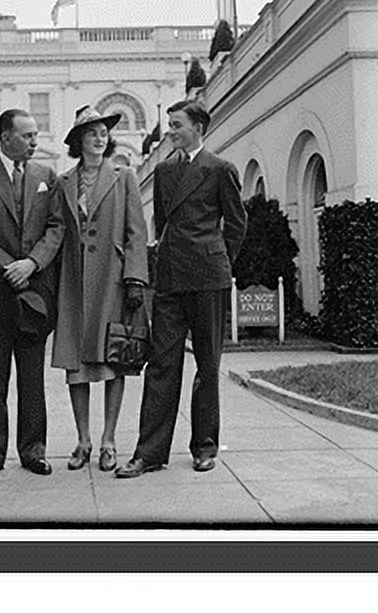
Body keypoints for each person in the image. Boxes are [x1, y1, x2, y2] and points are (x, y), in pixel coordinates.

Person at [116, 99, 247, 479]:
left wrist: (218, 261)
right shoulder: (164, 170)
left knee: (208, 365)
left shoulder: (220, 169)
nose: (170, 131)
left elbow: (236, 225)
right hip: (171, 279)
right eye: (170, 125)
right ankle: (148, 453)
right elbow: (162, 225)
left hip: (208, 278)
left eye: (177, 125)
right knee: (161, 364)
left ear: (198, 128)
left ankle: (205, 447)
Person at [0, 109, 65, 479]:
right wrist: (9, 266)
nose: (36, 141)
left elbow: (56, 227)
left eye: (36, 135)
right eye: (28, 135)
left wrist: (31, 264)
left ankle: (34, 451)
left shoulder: (46, 177)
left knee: (32, 378)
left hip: (34, 294)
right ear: (5, 138)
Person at [51, 106, 148, 472]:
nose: (99, 136)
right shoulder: (64, 182)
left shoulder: (124, 177)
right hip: (74, 284)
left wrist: (136, 278)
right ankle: (83, 441)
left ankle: (109, 441)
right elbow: (57, 232)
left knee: (113, 360)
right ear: (79, 140)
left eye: (103, 131)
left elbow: (137, 232)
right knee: (76, 364)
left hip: (113, 280)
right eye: (91, 132)